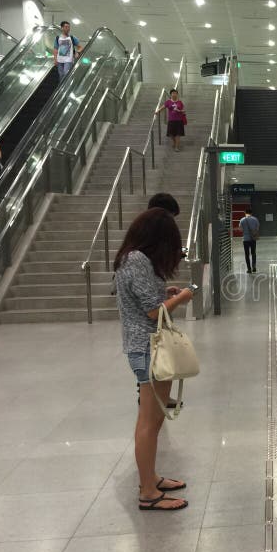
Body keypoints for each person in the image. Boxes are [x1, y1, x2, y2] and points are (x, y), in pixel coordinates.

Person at [113, 208, 194, 511]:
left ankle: (151, 477)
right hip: (147, 346)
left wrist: (165, 292)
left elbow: (148, 300)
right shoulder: (136, 260)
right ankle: (147, 491)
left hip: (147, 345)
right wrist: (180, 298)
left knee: (156, 417)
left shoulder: (133, 258)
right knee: (149, 420)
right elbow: (152, 312)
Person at [240, 208, 260, 273]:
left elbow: (241, 229)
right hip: (253, 239)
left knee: (247, 254)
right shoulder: (255, 219)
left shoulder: (242, 220)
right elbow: (257, 228)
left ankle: (249, 269)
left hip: (245, 239)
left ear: (245, 213)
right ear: (251, 213)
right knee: (253, 253)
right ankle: (254, 267)